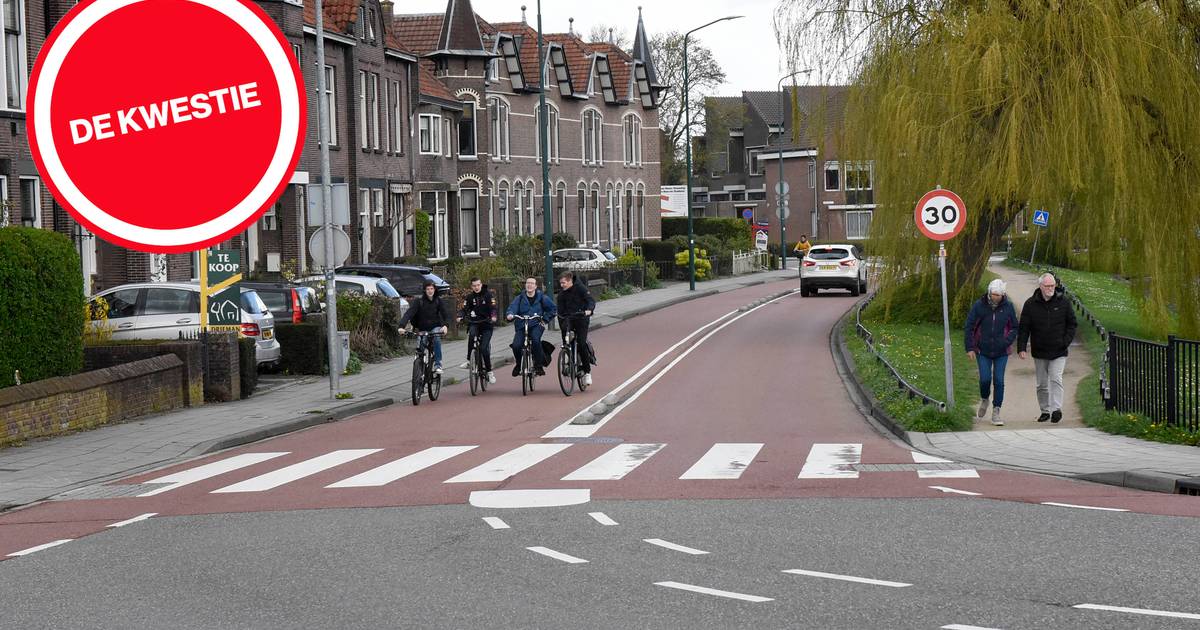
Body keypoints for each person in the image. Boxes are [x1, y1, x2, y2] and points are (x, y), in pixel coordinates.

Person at [1017, 272, 1078, 423]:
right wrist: (1022, 347)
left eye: (1053, 285)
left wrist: (1065, 341)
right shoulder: (1030, 304)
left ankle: (1056, 409)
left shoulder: (1063, 302)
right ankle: (1045, 410)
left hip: (1059, 350)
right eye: (1047, 286)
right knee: (1042, 384)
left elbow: (1072, 324)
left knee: (1056, 378)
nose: (1050, 288)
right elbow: (1024, 328)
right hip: (1039, 350)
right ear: (1040, 286)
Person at [965, 278, 1019, 426]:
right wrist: (970, 347)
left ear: (1003, 295)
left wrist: (1006, 341)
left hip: (1002, 351)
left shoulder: (1008, 307)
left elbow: (1015, 327)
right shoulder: (979, 306)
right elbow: (969, 326)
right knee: (985, 379)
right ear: (989, 293)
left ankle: (996, 410)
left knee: (999, 380)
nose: (996, 297)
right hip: (983, 350)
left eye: (998, 295)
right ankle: (984, 399)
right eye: (994, 294)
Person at [506, 277, 556, 377]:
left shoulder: (542, 298)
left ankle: (538, 365)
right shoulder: (520, 298)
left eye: (532, 283)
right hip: (521, 325)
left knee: (535, 340)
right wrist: (510, 314)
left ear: (536, 286)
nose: (529, 285)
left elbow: (553, 309)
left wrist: (545, 320)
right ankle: (518, 364)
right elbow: (512, 308)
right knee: (516, 345)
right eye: (528, 283)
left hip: (536, 325)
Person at [399, 281, 451, 374]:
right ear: (424, 290)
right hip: (423, 329)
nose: (430, 291)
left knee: (436, 339)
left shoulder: (438, 301)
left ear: (434, 289)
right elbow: (409, 313)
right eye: (428, 289)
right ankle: (419, 367)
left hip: (435, 327)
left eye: (432, 289)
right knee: (420, 347)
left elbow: (445, 314)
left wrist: (445, 326)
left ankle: (438, 365)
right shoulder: (419, 301)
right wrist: (401, 326)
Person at [556, 271, 596, 386]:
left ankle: (587, 372)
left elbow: (590, 300)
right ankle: (568, 357)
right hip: (568, 319)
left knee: (581, 344)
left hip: (581, 318)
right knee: (566, 341)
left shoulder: (580, 288)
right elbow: (560, 311)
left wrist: (589, 310)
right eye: (560, 283)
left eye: (563, 283)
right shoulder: (561, 295)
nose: (561, 285)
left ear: (570, 281)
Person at [457, 277, 497, 384]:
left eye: (478, 285)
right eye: (474, 286)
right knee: (471, 335)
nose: (476, 287)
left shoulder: (488, 295)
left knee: (484, 348)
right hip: (474, 323)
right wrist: (460, 316)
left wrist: (493, 316)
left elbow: (493, 307)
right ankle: (469, 360)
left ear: (481, 285)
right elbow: (464, 309)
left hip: (486, 324)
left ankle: (489, 372)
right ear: (471, 286)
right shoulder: (470, 297)